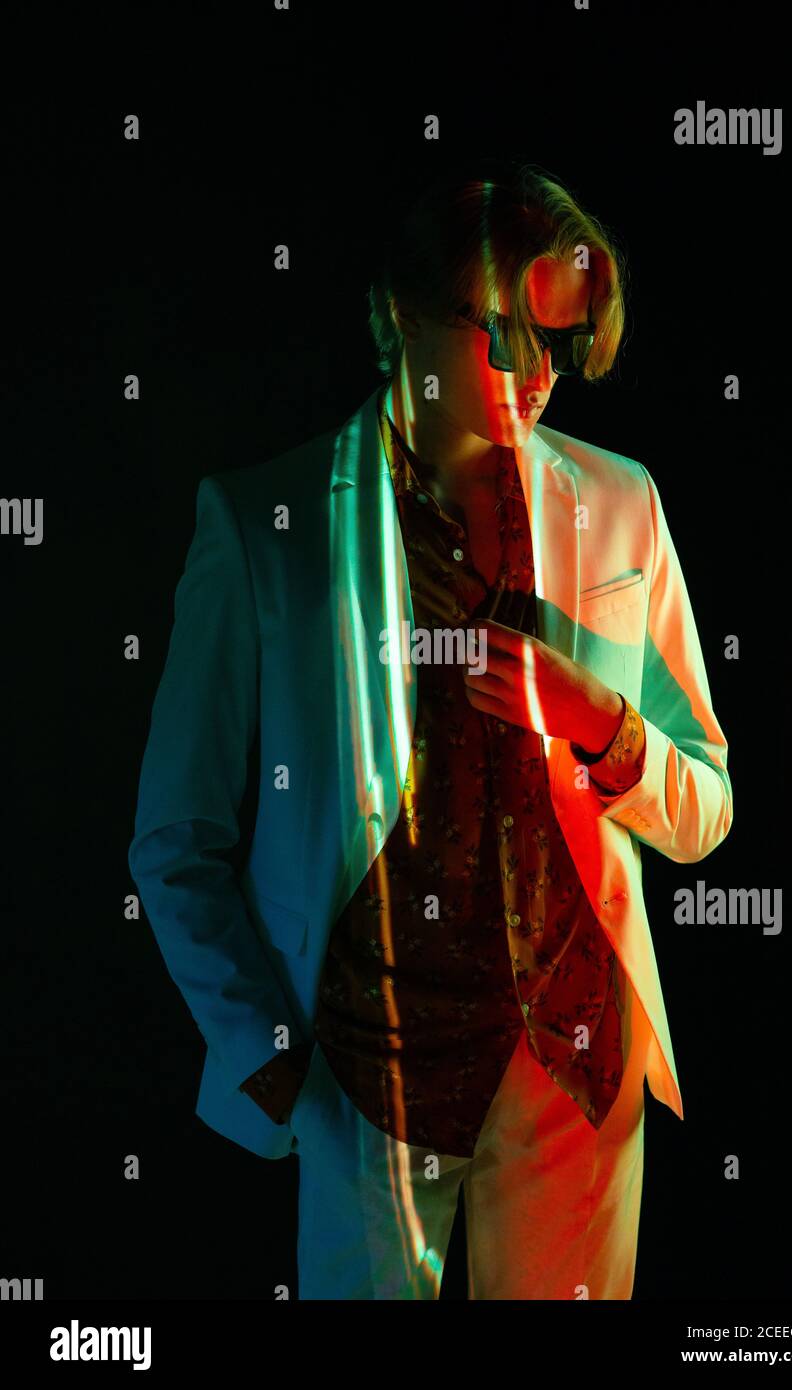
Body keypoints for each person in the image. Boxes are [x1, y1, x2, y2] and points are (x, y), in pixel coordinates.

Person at [128, 158, 733, 1300]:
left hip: (577, 1065)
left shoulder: (622, 506)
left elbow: (705, 808)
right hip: (364, 1076)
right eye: (506, 332)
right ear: (397, 312)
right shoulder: (266, 528)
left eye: (560, 345)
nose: (537, 375)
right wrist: (268, 1055)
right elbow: (175, 837)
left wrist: (605, 723)